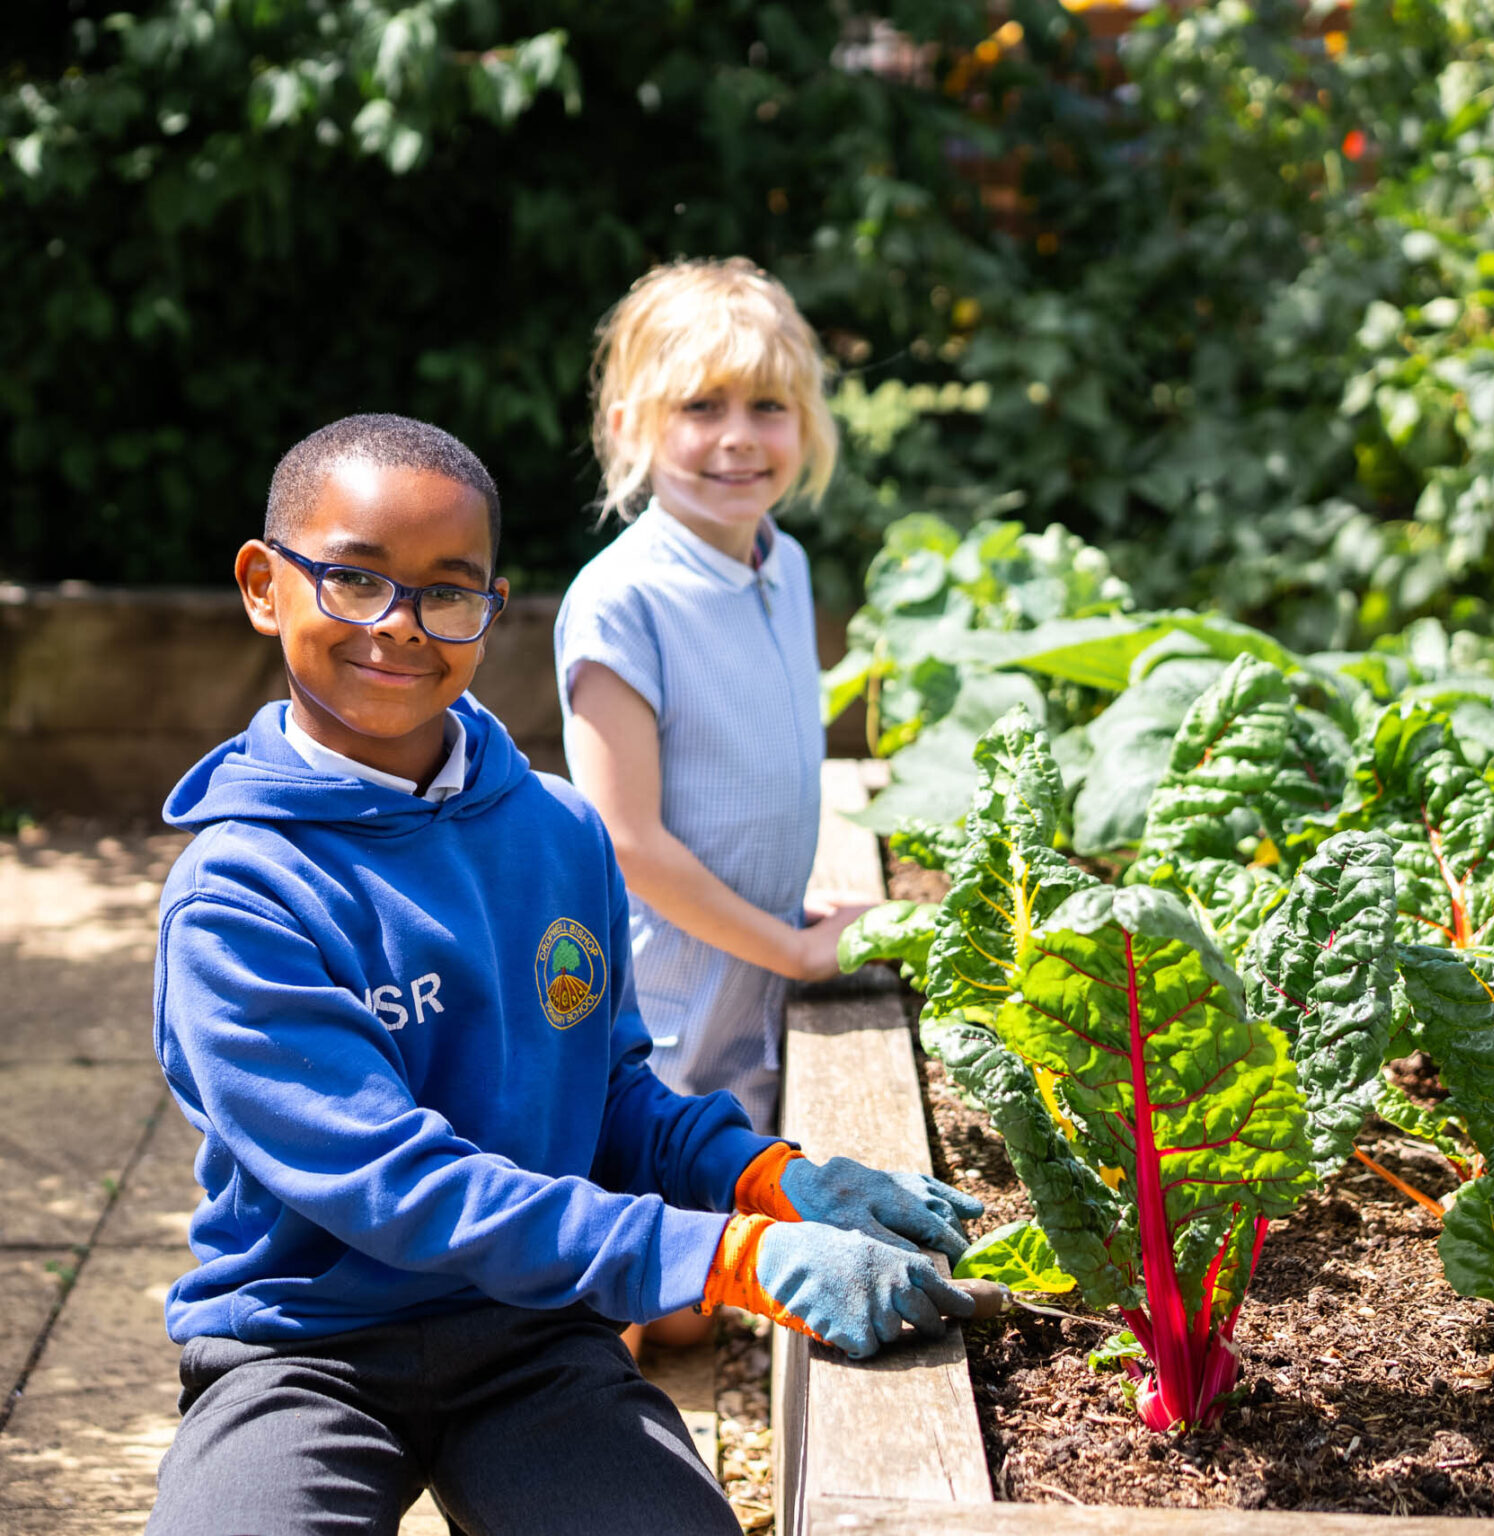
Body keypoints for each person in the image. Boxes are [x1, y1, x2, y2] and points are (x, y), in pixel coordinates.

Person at [145, 413, 982, 1536]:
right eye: (353, 581)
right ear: (263, 584)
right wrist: (728, 1257)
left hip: (534, 1330)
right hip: (302, 1346)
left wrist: (768, 1180)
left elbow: (610, 1092)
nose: (400, 627)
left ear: (492, 607)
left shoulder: (557, 831)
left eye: (448, 592)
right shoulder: (238, 896)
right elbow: (403, 1188)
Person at [555, 258, 865, 1154]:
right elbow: (627, 840)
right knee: (675, 1268)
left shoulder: (788, 564)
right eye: (701, 407)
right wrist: (799, 952)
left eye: (768, 406)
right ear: (629, 429)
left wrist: (785, 921)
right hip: (665, 1015)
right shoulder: (622, 600)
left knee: (748, 1227)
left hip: (757, 978)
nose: (739, 437)